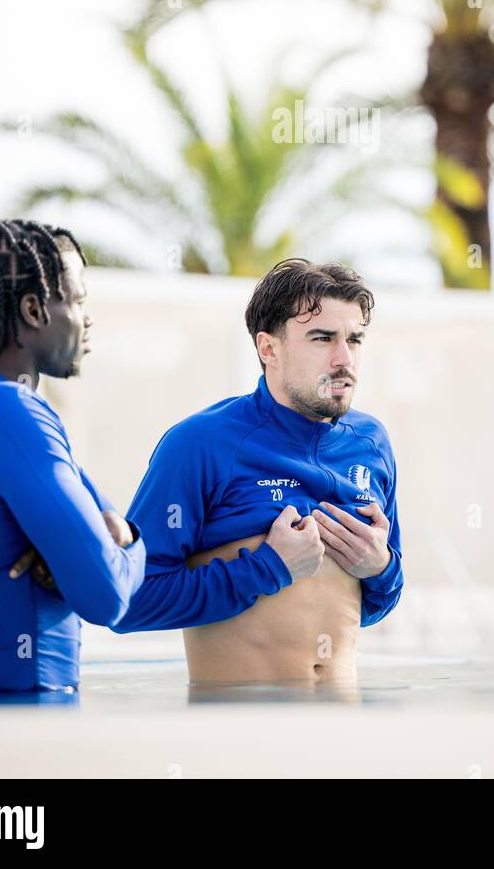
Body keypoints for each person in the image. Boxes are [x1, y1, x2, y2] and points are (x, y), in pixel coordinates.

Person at [111, 259, 403, 684]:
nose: (344, 359)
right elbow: (128, 602)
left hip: (343, 727)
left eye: (354, 340)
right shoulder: (201, 444)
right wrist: (266, 567)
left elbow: (372, 603)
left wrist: (380, 568)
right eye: (322, 338)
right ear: (269, 349)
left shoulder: (371, 443)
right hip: (239, 728)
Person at [0, 218, 146, 695]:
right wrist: (128, 537)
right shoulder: (12, 413)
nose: (86, 317)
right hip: (24, 722)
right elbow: (108, 596)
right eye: (77, 300)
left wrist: (87, 542)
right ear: (35, 309)